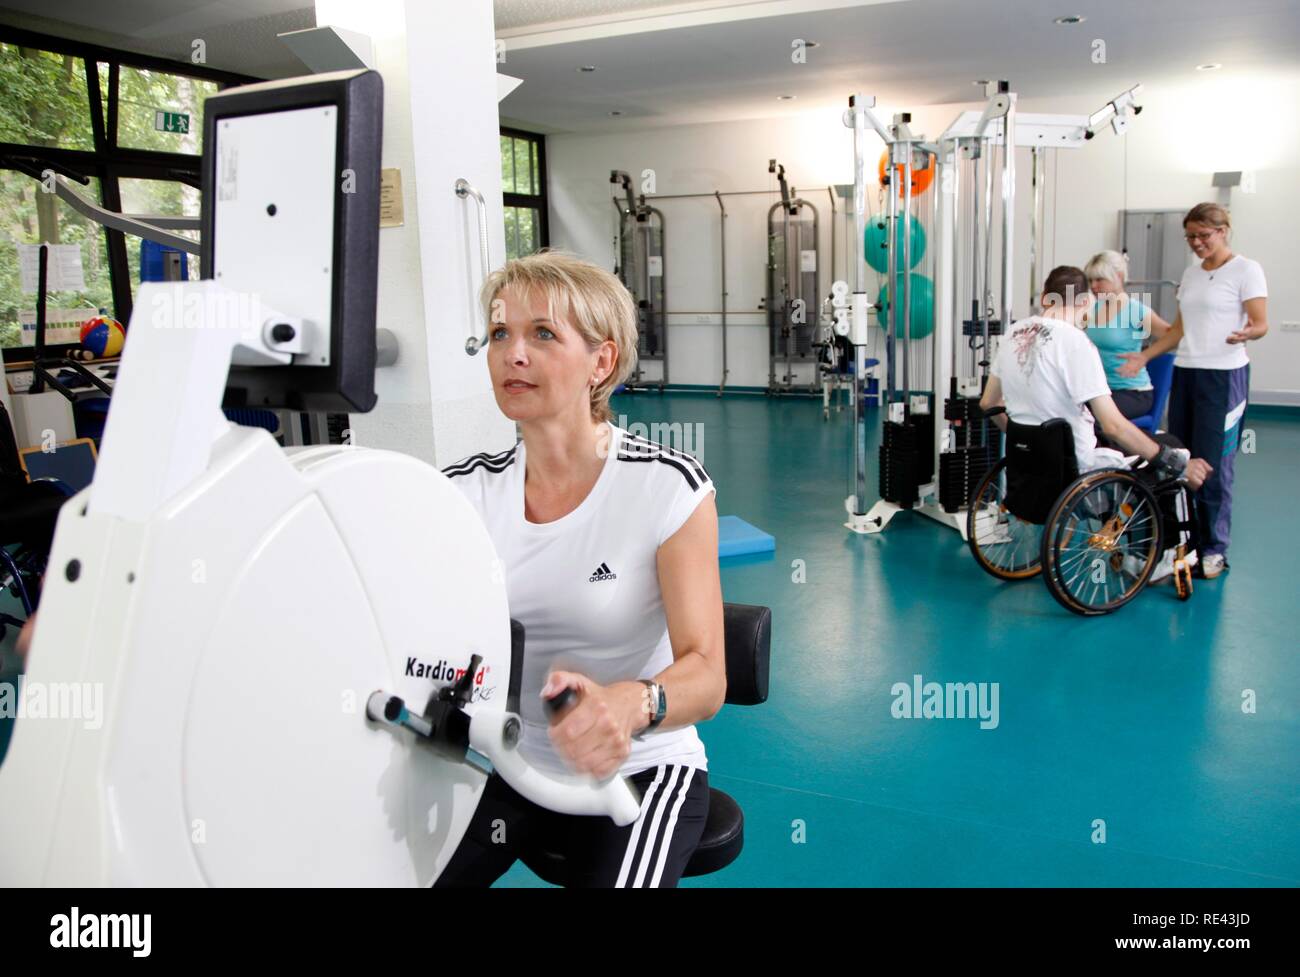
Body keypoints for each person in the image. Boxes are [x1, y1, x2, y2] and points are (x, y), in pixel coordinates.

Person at [435, 250, 725, 888]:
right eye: (500, 333)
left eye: (543, 334)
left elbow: (707, 676)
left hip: (640, 770)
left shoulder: (667, 487)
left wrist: (632, 703)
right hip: (504, 760)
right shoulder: (460, 493)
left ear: (602, 362)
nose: (513, 354)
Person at [981, 266, 1211, 578]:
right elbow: (1113, 425)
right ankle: (1157, 557)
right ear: (1085, 302)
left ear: (1046, 296)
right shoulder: (1076, 343)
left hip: (1030, 459)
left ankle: (1123, 529)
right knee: (1169, 448)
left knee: (1130, 442)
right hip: (1076, 462)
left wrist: (1027, 439)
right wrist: (1171, 460)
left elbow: (988, 403)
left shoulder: (1011, 334)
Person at [1117, 203, 1268, 578]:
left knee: (1214, 462)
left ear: (1223, 231)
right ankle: (1182, 541)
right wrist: (1144, 356)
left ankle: (1214, 548)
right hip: (1187, 372)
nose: (1197, 243)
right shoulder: (1191, 274)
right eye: (1190, 237)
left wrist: (1248, 332)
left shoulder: (1247, 270)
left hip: (1225, 376)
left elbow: (1261, 323)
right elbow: (1178, 331)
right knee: (1181, 458)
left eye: (1203, 235)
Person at [1083, 249, 1172, 426]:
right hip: (1100, 390)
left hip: (1133, 393)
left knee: (1090, 418)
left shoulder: (1135, 310)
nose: (1093, 286)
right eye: (1090, 280)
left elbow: (1172, 336)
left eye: (1099, 280)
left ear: (1119, 276)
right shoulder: (1093, 309)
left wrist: (1144, 356)